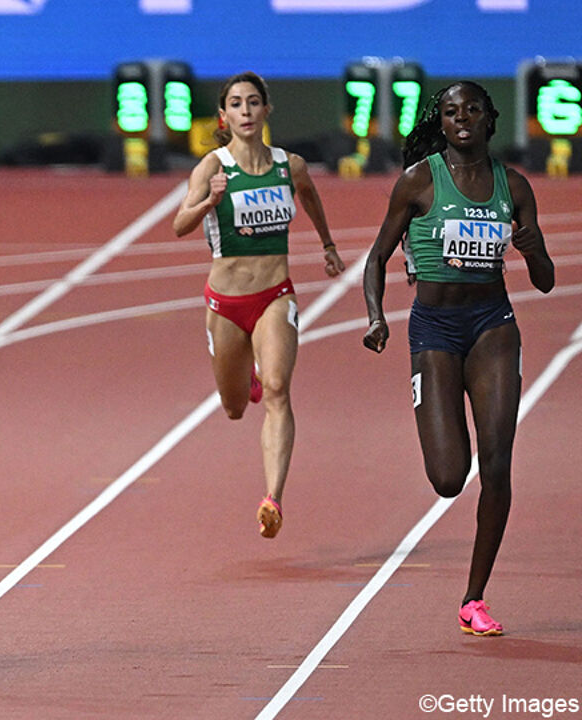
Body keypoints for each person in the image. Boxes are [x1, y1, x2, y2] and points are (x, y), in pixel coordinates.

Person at [363, 82, 553, 636]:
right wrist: (376, 317)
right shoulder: (420, 181)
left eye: (472, 109)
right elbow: (376, 258)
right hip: (435, 331)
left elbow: (545, 283)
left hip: (494, 327)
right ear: (440, 123)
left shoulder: (513, 186)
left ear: (490, 120)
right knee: (449, 478)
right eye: (450, 112)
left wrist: (533, 248)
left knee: (497, 466)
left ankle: (474, 599)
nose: (461, 118)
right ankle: (438, 416)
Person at [172, 72, 345, 539]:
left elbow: (309, 197)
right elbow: (179, 225)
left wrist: (327, 245)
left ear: (267, 110)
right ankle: (244, 378)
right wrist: (207, 202)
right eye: (236, 104)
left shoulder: (291, 166)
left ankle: (273, 498)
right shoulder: (212, 167)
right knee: (233, 407)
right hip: (226, 303)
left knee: (278, 390)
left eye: (253, 102)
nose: (246, 111)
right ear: (223, 117)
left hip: (274, 295)